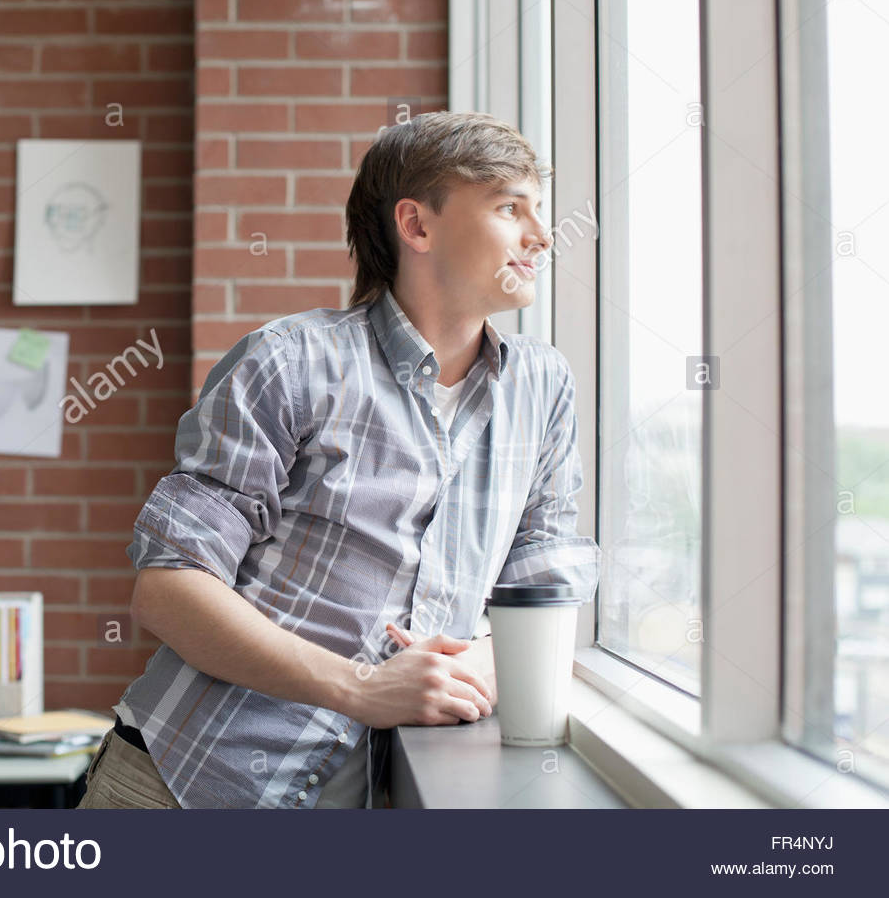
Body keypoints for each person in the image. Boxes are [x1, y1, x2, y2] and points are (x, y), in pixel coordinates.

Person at [76, 111, 602, 810]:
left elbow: (545, 580)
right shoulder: (291, 362)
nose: (542, 235)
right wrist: (363, 687)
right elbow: (169, 587)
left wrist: (486, 659)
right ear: (416, 226)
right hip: (188, 785)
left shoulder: (543, 386)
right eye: (511, 208)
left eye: (540, 209)